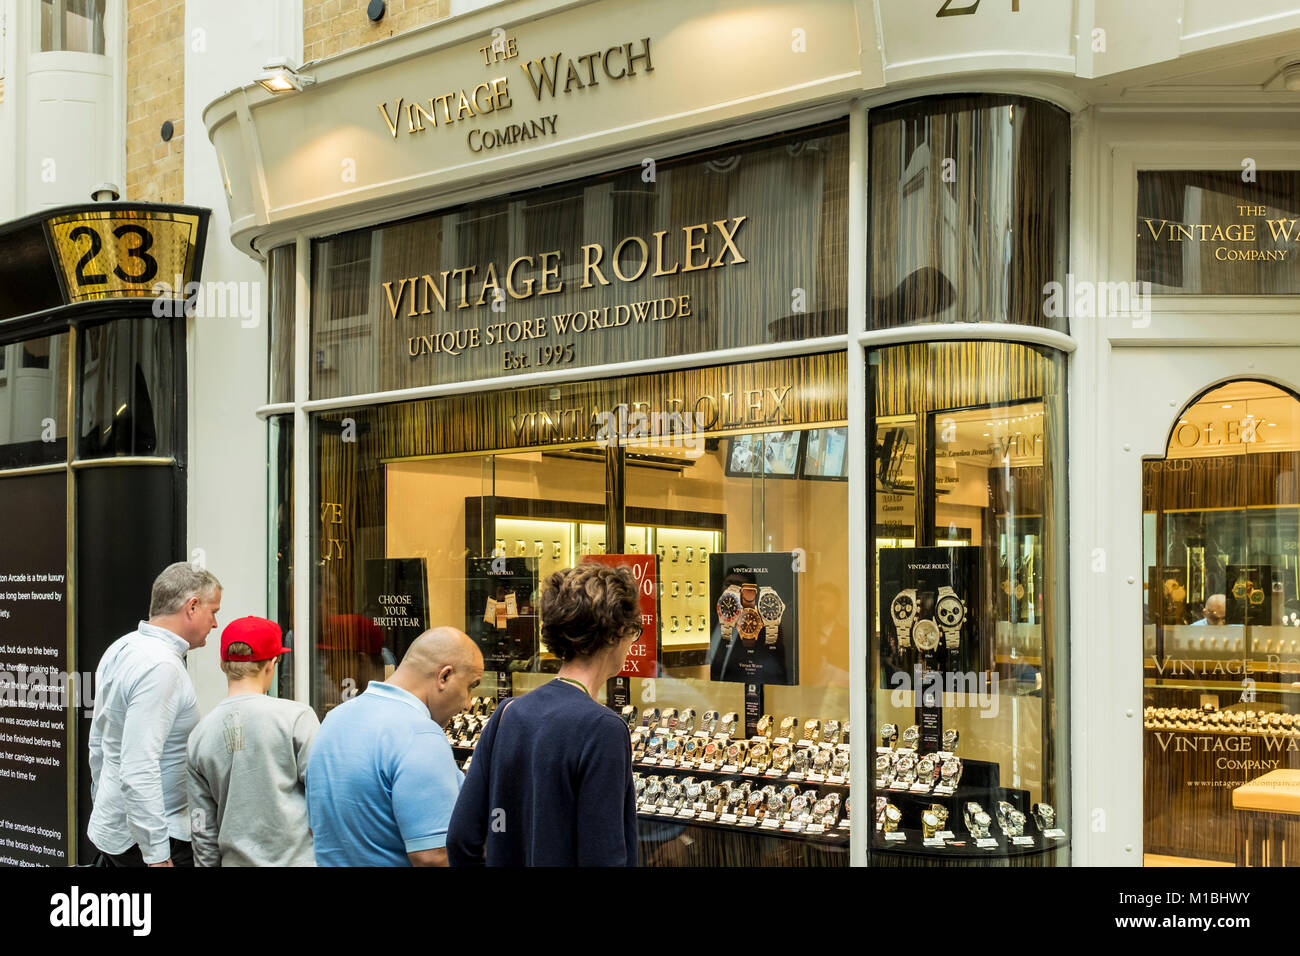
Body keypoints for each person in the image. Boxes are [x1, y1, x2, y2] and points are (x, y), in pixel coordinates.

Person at [447, 564, 642, 867]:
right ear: (618, 632)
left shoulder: (507, 715)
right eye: (634, 631)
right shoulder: (603, 729)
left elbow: (461, 837)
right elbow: (604, 855)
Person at [305, 626, 483, 866]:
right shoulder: (420, 734)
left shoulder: (333, 719)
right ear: (444, 676)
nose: (468, 704)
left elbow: (316, 830)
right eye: (471, 686)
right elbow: (433, 858)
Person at [88, 562, 222, 867]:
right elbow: (138, 767)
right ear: (192, 606)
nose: (215, 624)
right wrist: (158, 856)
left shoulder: (122, 648)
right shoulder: (161, 667)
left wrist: (106, 803)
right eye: (213, 611)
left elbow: (99, 744)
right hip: (151, 842)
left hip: (121, 831)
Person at [185, 616, 318, 867]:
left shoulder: (199, 736)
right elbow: (325, 799)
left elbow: (202, 826)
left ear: (222, 664)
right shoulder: (296, 717)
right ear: (272, 663)